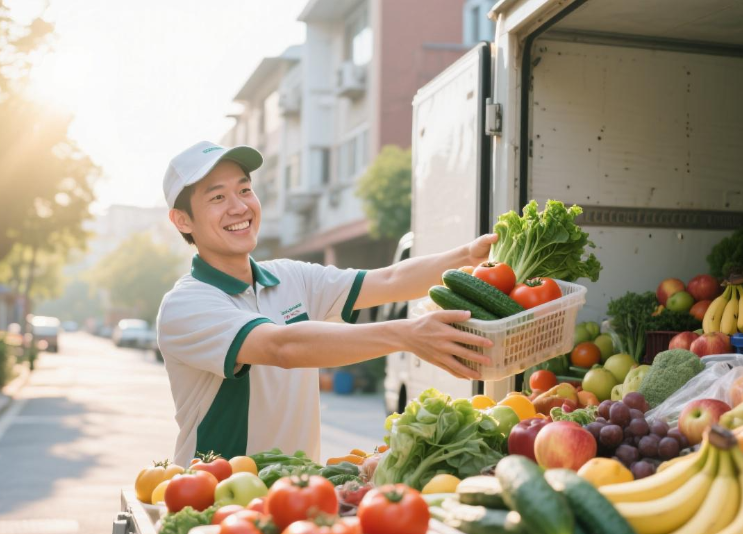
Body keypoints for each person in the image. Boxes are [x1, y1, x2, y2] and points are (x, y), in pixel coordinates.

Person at [158, 141, 497, 466]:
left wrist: (468, 256)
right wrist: (408, 336)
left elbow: (390, 280)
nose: (240, 207)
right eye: (218, 197)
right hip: (217, 502)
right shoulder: (186, 304)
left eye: (245, 190)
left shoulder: (290, 277)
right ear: (183, 220)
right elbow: (282, 348)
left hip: (298, 499)